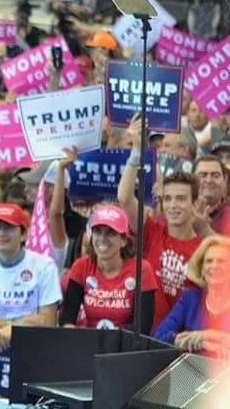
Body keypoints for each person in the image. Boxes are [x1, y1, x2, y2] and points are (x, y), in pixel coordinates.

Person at [119, 123, 203, 325]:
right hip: (144, 335)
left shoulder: (203, 250)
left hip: (179, 342)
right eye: (168, 199)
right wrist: (137, 152)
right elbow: (124, 198)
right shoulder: (152, 230)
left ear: (195, 204)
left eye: (181, 199)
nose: (173, 205)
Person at [0, 203, 63, 353]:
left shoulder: (45, 266)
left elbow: (48, 321)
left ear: (24, 234)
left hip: (31, 348)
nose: (1, 233)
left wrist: (14, 330)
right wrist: (11, 326)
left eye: (8, 227)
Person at [60, 204, 158, 333]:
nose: (102, 238)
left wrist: (107, 337)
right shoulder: (81, 266)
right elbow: (67, 318)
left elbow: (142, 327)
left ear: (123, 240)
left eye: (110, 233)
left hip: (125, 347)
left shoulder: (142, 270)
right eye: (97, 231)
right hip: (89, 344)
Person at [153, 236, 230, 357]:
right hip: (192, 371)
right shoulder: (191, 298)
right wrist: (200, 343)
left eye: (221, 261)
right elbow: (158, 335)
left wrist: (208, 335)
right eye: (209, 261)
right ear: (201, 268)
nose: (214, 266)